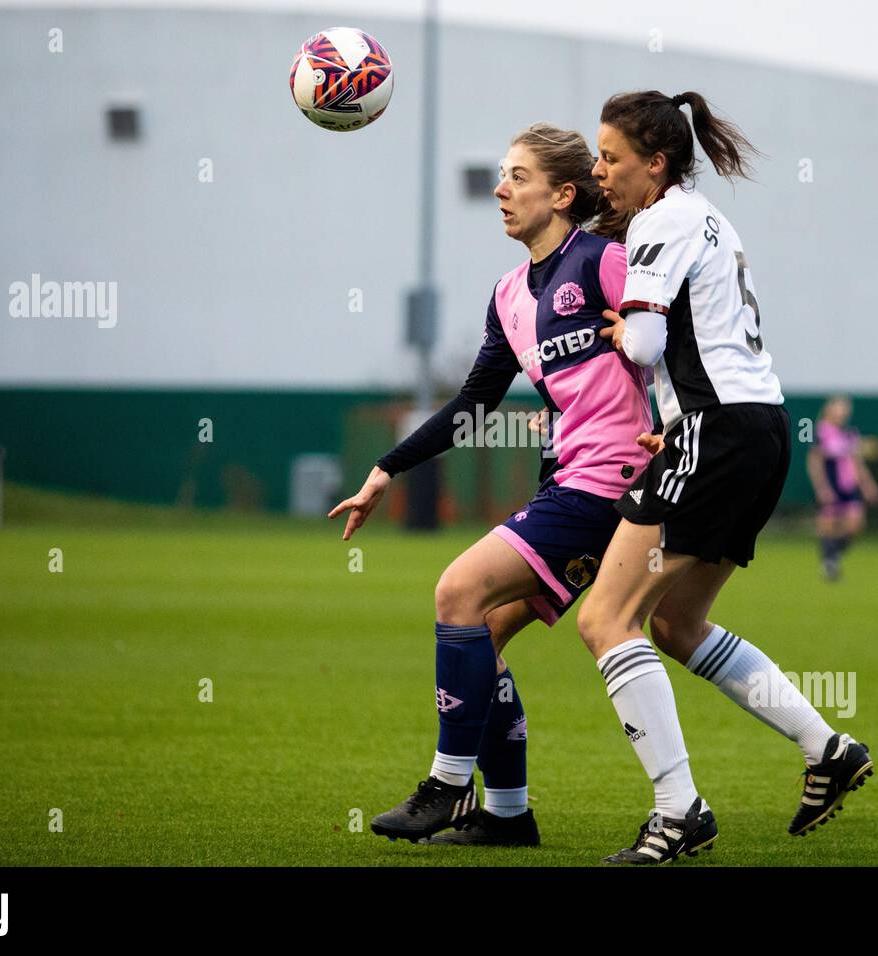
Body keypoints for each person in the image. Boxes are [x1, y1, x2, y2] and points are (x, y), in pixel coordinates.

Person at [328, 122, 653, 848]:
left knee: (456, 593)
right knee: (484, 641)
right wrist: (387, 469)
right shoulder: (509, 294)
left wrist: (687, 432)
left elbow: (672, 341)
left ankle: (447, 786)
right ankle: (508, 816)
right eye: (501, 176)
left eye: (518, 177)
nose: (500, 190)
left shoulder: (605, 261)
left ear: (564, 194)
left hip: (611, 486)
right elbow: (472, 404)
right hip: (566, 482)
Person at [585, 90, 874, 864]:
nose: (598, 169)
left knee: (604, 621)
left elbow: (645, 342)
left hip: (719, 436)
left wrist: (618, 328)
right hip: (756, 429)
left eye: (610, 157)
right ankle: (828, 748)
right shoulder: (708, 217)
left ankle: (679, 811)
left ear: (656, 163)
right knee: (676, 626)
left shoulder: (664, 219)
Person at [807, 395, 878, 580]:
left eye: (845, 410)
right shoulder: (822, 431)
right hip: (831, 486)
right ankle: (829, 563)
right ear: (830, 410)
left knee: (855, 525)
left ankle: (833, 556)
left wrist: (868, 486)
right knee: (828, 525)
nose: (843, 413)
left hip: (849, 486)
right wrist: (822, 488)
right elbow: (814, 461)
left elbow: (857, 463)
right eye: (839, 409)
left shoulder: (850, 433)